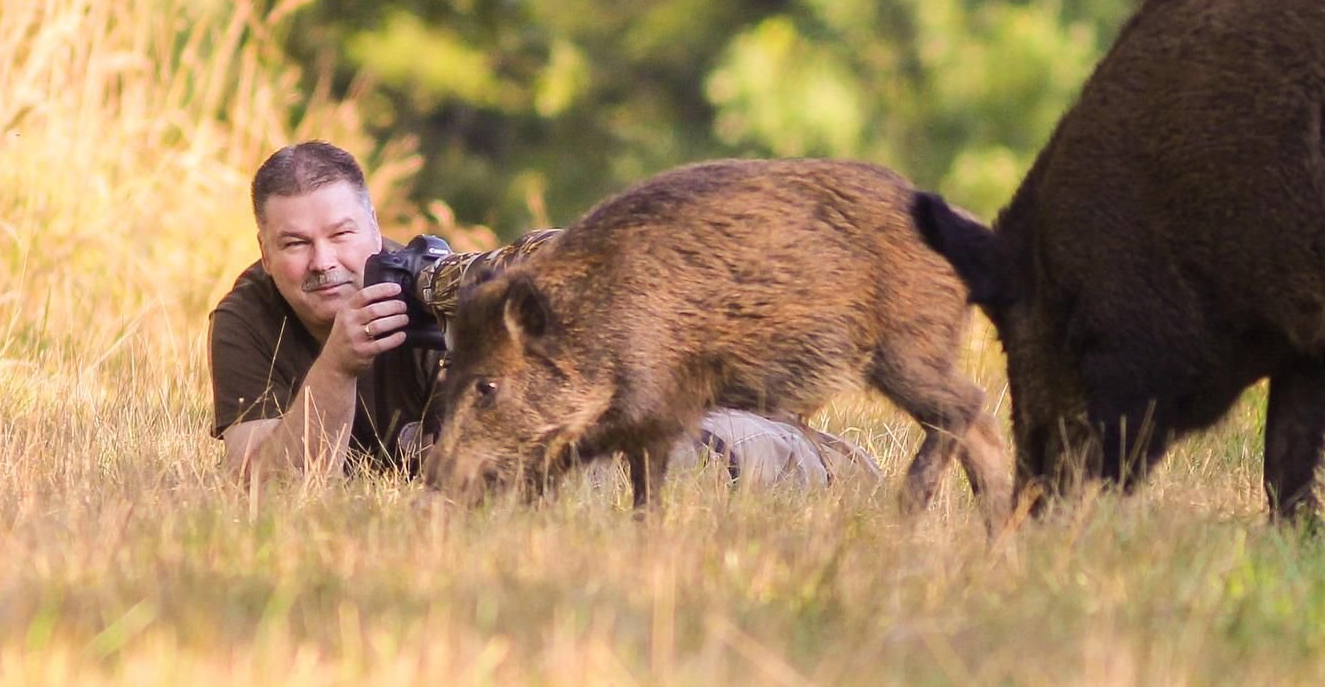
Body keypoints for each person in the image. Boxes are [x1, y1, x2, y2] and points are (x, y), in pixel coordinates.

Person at [210, 140, 879, 491]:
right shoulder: (248, 318)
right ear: (265, 252)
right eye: (295, 244)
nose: (324, 262)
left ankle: (828, 461)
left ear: (376, 228)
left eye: (341, 234)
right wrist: (337, 367)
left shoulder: (431, 292)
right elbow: (266, 490)